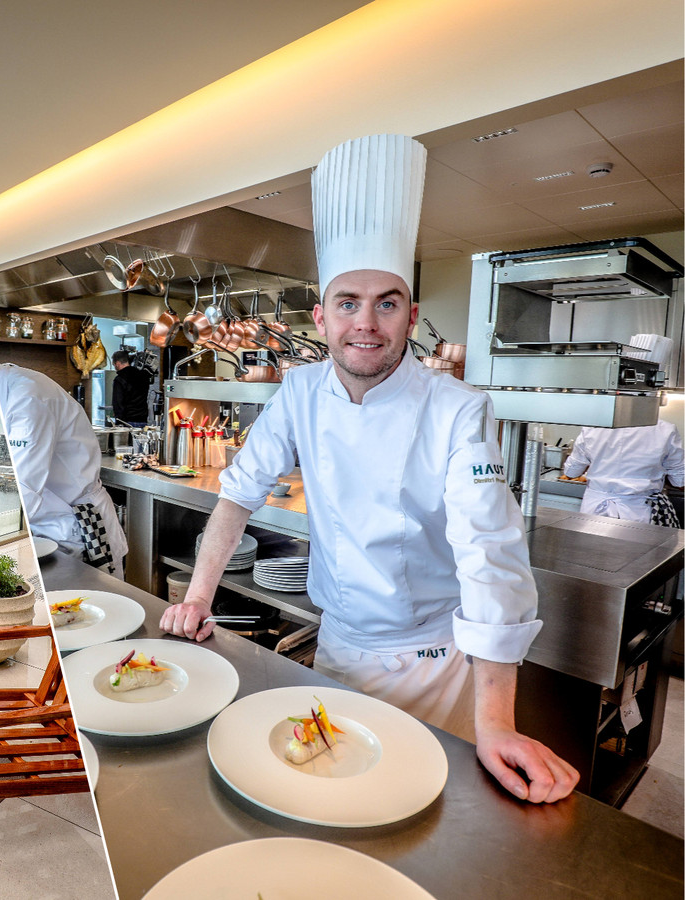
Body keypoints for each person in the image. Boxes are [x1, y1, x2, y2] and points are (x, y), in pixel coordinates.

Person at [158, 133, 578, 804]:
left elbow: (489, 553)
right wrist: (197, 601)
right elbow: (236, 498)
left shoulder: (458, 408)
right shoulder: (297, 392)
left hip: (433, 662)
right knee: (326, 797)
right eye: (348, 303)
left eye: (387, 303)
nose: (368, 324)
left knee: (422, 813)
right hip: (338, 645)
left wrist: (497, 721)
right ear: (322, 317)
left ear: (411, 316)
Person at [0, 360, 128, 573]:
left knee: (98, 600)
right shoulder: (4, 391)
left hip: (80, 524)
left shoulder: (28, 398)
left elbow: (25, 488)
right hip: (48, 526)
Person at [562, 422, 683, 526]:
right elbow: (680, 480)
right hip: (637, 511)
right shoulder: (665, 429)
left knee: (592, 550)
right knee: (636, 552)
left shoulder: (594, 427)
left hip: (594, 508)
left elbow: (571, 472)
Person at [110, 350, 150, 426]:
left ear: (117, 363)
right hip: (143, 421)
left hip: (127, 422)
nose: (114, 367)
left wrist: (119, 423)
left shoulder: (119, 379)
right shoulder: (143, 376)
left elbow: (118, 403)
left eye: (114, 364)